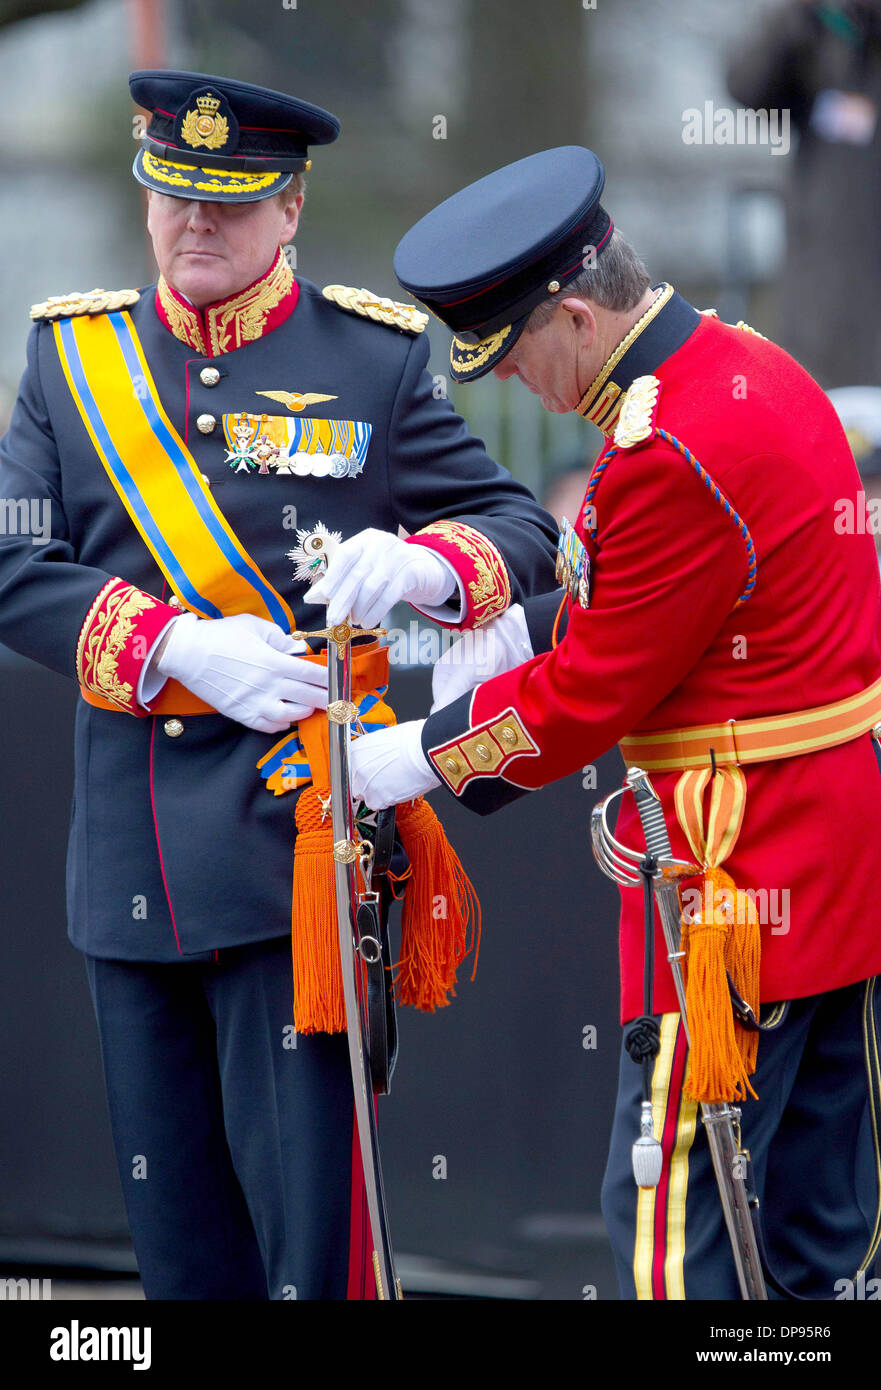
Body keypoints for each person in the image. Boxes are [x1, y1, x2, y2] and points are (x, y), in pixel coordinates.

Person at [0, 69, 558, 1300]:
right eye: (172, 197)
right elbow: (8, 556)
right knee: (180, 1250)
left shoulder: (368, 357)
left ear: (290, 209)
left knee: (314, 1241)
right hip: (133, 867)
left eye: (229, 204)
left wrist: (423, 564)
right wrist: (164, 647)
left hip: (294, 857)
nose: (194, 224)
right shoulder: (69, 358)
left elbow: (522, 527)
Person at [349, 145, 881, 1299]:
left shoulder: (664, 448)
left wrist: (416, 753)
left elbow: (594, 692)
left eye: (513, 354)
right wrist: (481, 603)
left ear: (578, 319)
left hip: (738, 860)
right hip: (820, 846)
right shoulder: (736, 366)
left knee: (671, 1214)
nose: (508, 386)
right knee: (807, 1220)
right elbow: (651, 606)